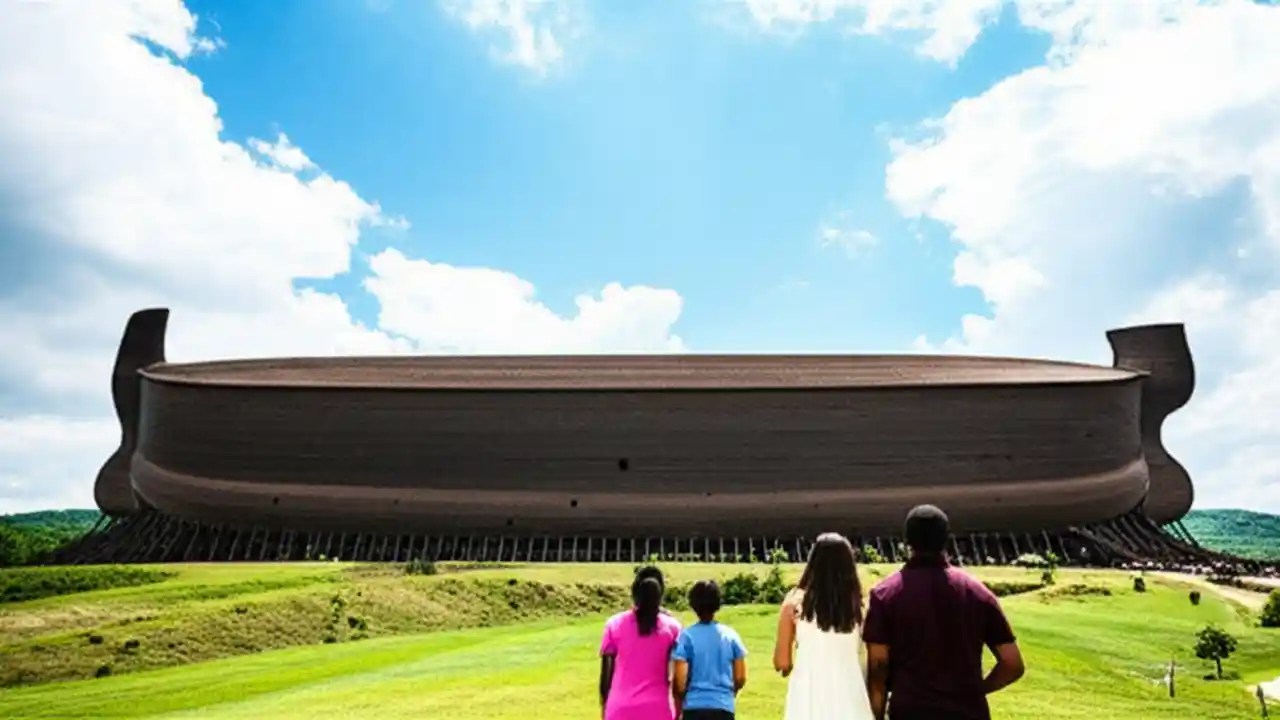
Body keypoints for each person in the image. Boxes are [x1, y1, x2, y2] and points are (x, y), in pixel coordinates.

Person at [863, 505, 1026, 720]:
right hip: (967, 712)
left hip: (910, 711)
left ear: (907, 541)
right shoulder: (977, 593)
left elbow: (878, 666)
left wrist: (876, 713)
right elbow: (1012, 663)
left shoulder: (885, 595)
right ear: (946, 539)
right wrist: (977, 691)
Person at [773, 532, 875, 720]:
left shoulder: (794, 604)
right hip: (850, 694)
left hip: (807, 695)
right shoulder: (859, 607)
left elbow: (782, 662)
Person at [600, 572, 683, 720]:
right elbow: (678, 677)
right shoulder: (673, 628)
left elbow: (606, 678)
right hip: (658, 709)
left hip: (620, 708)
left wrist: (605, 708)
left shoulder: (614, 624)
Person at [672, 580, 748, 720]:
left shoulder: (687, 637)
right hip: (723, 707)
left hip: (694, 707)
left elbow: (680, 682)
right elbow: (740, 677)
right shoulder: (731, 636)